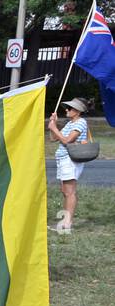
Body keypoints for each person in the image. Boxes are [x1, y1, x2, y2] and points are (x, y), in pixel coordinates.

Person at [49, 97, 91, 234]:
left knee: (69, 191)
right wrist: (53, 124)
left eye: (70, 108)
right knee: (65, 191)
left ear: (78, 111)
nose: (66, 110)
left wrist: (54, 128)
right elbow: (53, 138)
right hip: (63, 159)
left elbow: (67, 141)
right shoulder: (70, 123)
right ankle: (65, 222)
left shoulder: (80, 122)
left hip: (70, 159)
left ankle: (67, 223)